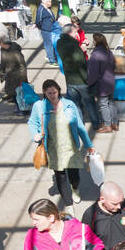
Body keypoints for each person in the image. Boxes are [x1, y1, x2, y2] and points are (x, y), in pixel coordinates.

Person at [28, 79, 95, 207]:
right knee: (60, 176)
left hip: (70, 146)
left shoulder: (69, 104)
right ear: (44, 93)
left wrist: (89, 145)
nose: (53, 96)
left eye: (55, 92)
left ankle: (75, 189)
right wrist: (35, 134)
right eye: (49, 93)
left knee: (74, 174)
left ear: (59, 91)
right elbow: (32, 122)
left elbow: (79, 125)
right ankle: (68, 203)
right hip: (53, 148)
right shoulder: (39, 106)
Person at [56, 19, 96, 130]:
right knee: (90, 103)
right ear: (69, 33)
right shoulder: (74, 47)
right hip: (80, 81)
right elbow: (80, 65)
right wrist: (88, 80)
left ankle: (80, 124)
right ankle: (96, 123)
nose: (77, 34)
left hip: (70, 80)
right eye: (74, 32)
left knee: (76, 104)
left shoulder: (60, 43)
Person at [87, 33, 119, 135]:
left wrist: (89, 83)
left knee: (103, 105)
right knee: (111, 102)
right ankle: (115, 123)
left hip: (102, 84)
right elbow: (114, 65)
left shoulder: (95, 55)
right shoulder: (108, 51)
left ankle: (107, 125)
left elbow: (93, 72)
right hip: (111, 81)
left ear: (95, 42)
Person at [0, 34, 28, 110]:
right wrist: (1, 72)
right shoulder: (3, 50)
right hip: (9, 76)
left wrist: (23, 80)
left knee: (20, 94)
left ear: (3, 43)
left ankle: (23, 110)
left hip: (17, 77)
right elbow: (3, 61)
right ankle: (18, 107)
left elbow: (23, 66)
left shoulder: (16, 52)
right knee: (14, 94)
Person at [35, 0, 60, 64]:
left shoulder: (48, 8)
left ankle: (51, 56)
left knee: (52, 44)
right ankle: (52, 60)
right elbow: (38, 21)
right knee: (49, 45)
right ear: (45, 2)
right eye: (50, 2)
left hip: (52, 29)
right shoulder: (41, 9)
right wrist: (43, 27)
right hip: (46, 30)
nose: (51, 3)